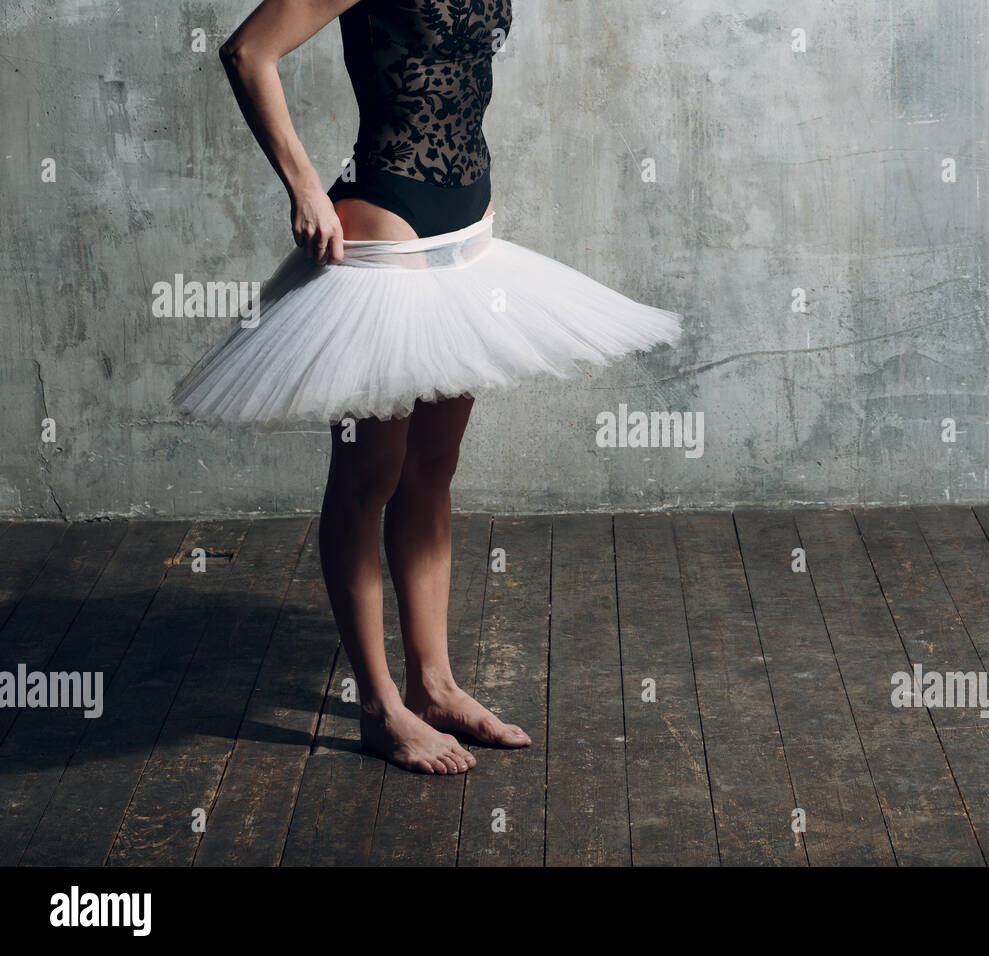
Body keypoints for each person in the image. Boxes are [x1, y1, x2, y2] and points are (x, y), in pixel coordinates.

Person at [172, 0, 682, 775]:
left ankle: (434, 684)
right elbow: (247, 53)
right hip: (386, 222)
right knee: (367, 478)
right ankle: (380, 708)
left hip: (469, 225)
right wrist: (305, 186)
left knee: (431, 471)